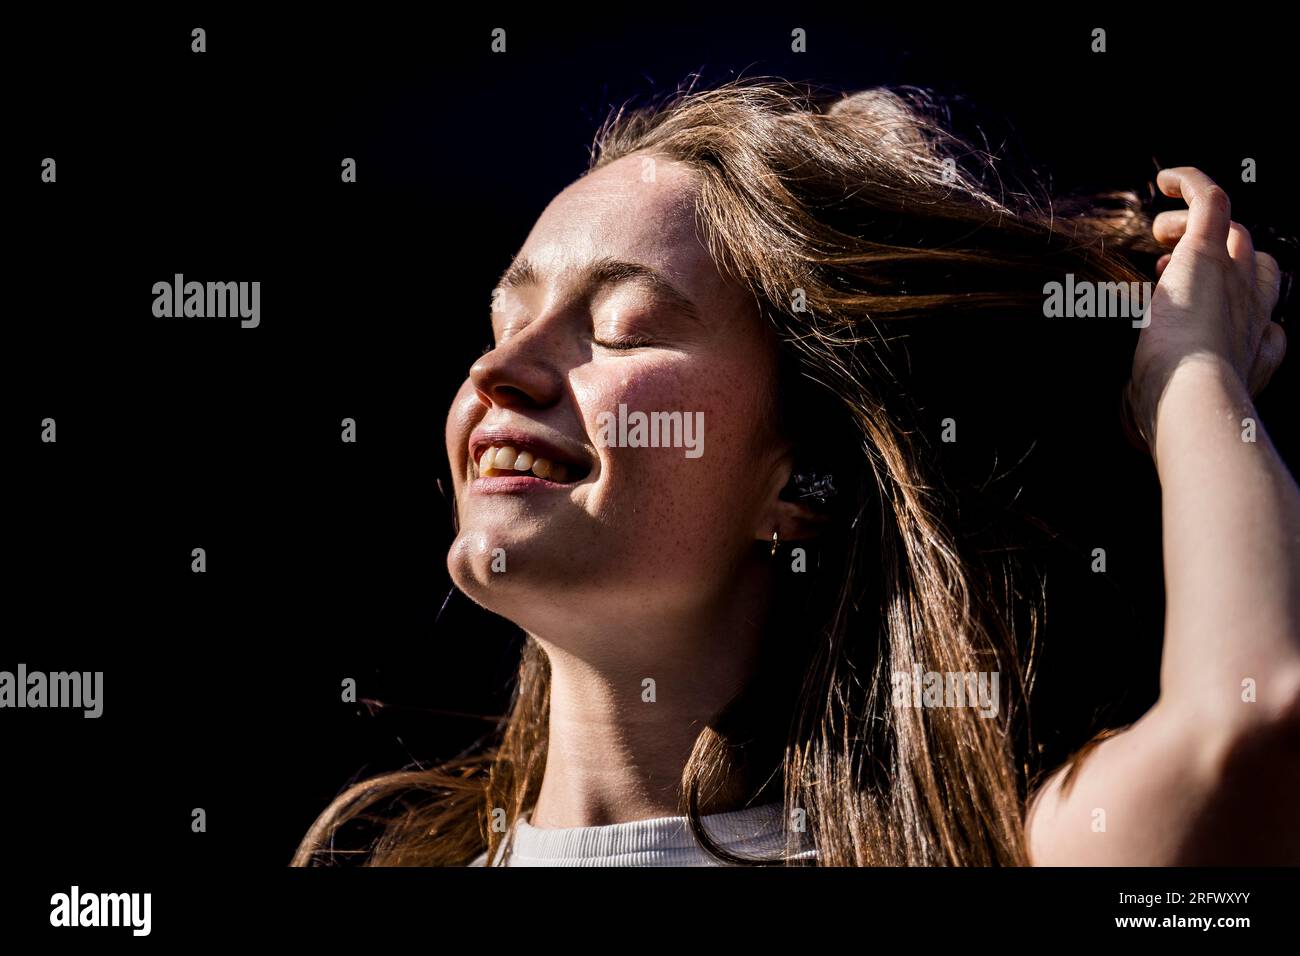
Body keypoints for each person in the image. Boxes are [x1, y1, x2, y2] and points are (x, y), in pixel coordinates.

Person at [293, 79, 1297, 867]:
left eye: (618, 327)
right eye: (506, 323)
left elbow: (1248, 725)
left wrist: (1191, 377)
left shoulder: (988, 852)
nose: (496, 372)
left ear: (800, 483)